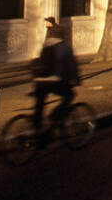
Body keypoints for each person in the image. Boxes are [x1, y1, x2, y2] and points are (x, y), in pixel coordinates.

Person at [33, 16, 79, 144]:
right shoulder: (64, 48)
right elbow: (72, 66)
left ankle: (36, 132)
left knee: (39, 106)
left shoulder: (45, 46)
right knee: (70, 96)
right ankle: (54, 115)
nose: (46, 23)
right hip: (54, 81)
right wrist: (76, 80)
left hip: (39, 81)